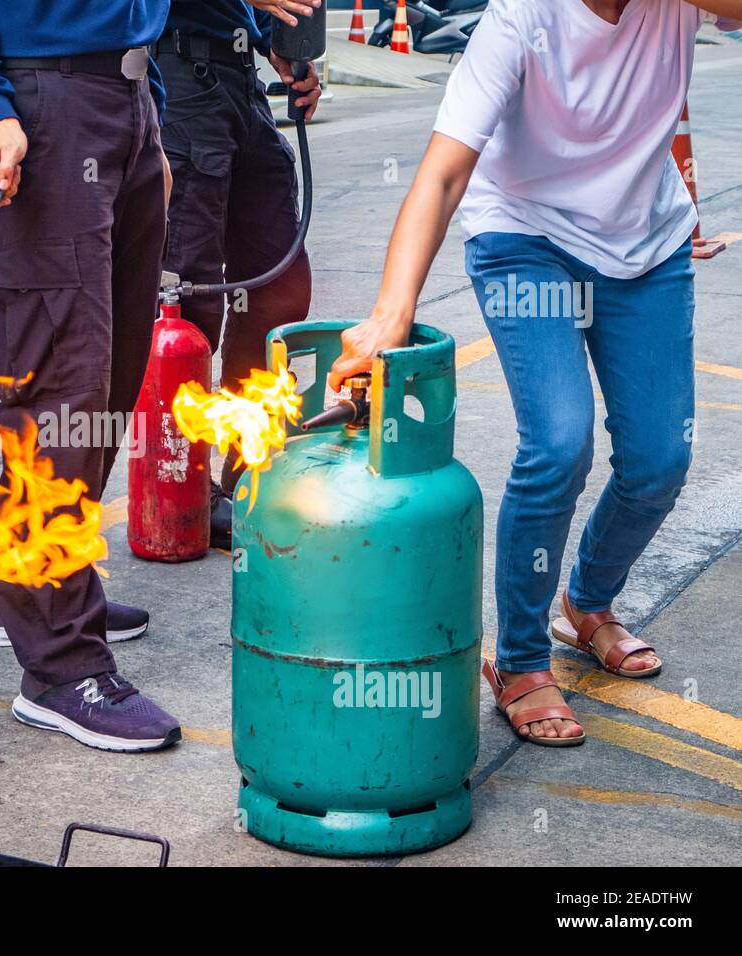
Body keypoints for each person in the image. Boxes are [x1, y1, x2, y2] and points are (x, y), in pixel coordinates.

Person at [330, 0, 742, 746]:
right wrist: (393, 310)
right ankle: (519, 659)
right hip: (527, 240)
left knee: (660, 460)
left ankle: (585, 604)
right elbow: (445, 174)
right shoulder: (520, 18)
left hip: (646, 247)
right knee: (558, 441)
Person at [0, 0, 183, 752]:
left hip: (126, 104)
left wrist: (147, 118)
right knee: (62, 397)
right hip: (47, 110)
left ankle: (18, 593)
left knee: (111, 379)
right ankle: (60, 669)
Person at [155, 0, 321, 547]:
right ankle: (186, 485)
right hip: (177, 74)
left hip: (239, 76)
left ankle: (247, 464)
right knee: (192, 296)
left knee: (279, 283)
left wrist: (283, 46)